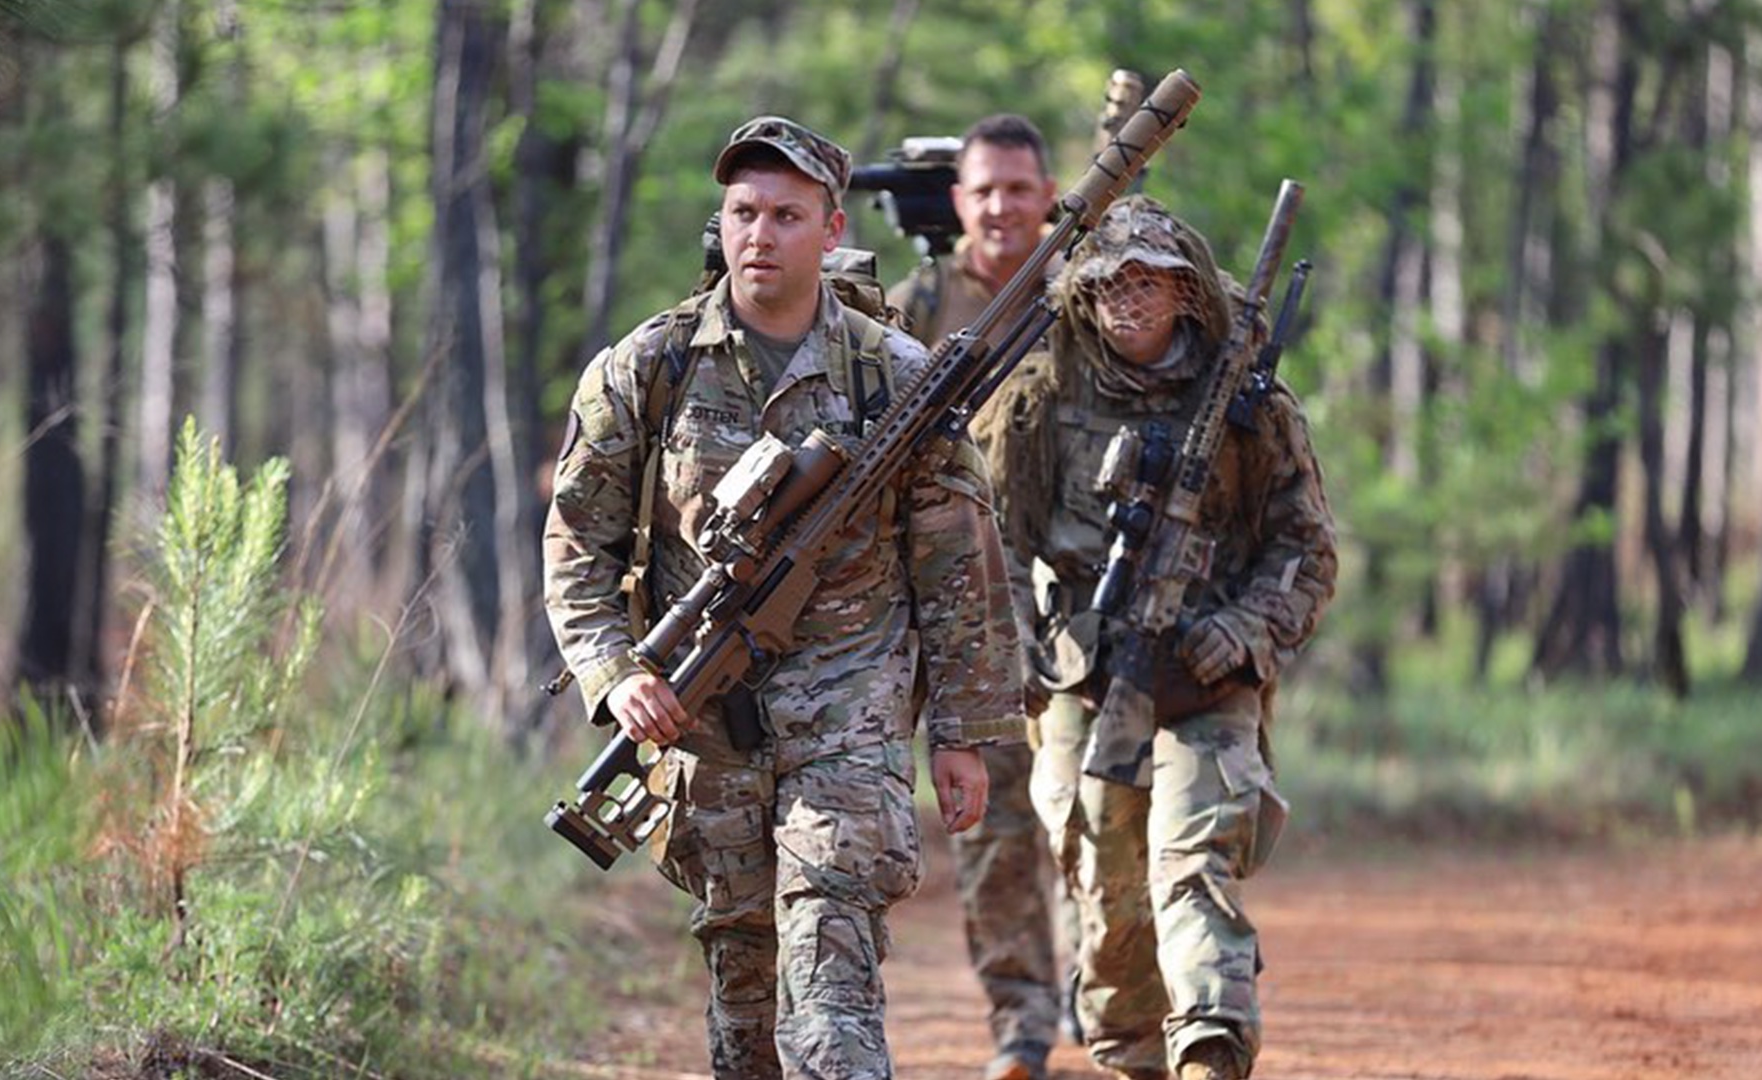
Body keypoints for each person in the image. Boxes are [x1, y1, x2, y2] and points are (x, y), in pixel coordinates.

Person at [543, 115, 1025, 1079]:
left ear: (831, 228)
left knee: (830, 945)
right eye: (742, 212)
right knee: (743, 964)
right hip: (702, 704)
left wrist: (964, 732)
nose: (760, 234)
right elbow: (576, 546)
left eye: (786, 215)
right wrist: (613, 671)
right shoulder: (651, 368)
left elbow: (957, 564)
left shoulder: (896, 376)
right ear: (721, 225)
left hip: (852, 700)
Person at [973, 194, 1338, 1080]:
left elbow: (1306, 546)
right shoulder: (1039, 398)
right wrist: (1020, 647)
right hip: (1083, 678)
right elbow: (992, 547)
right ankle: (1135, 1052)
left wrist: (1246, 628)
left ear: (1187, 294)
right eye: (1110, 285)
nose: (1128, 301)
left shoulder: (1250, 408)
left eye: (1151, 283)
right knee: (1105, 885)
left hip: (1205, 677)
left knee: (1195, 859)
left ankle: (1212, 1037)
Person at [885, 113, 1066, 1080]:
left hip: (1084, 594)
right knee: (994, 829)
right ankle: (1022, 1022)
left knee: (1088, 811)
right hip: (970, 602)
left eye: (1019, 188)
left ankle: (1102, 991)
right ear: (958, 201)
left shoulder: (1088, 289)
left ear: (1048, 195)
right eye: (983, 190)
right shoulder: (915, 305)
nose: (1000, 206)